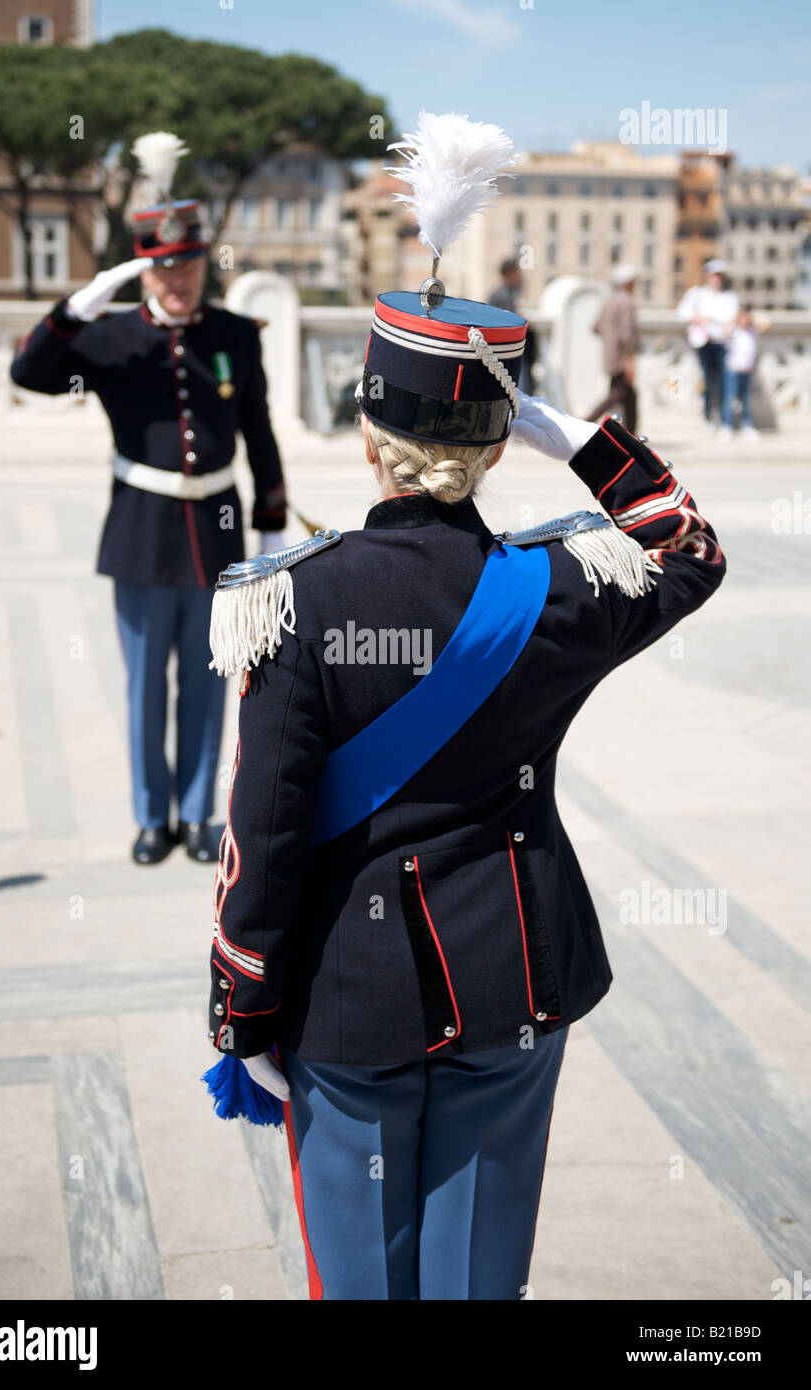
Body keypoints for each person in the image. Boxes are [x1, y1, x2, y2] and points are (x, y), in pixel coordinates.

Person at [203, 113, 726, 1301]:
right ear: (496, 451)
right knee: (479, 1284)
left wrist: (242, 1005)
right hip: (512, 981)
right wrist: (581, 442)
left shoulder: (295, 603)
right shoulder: (557, 591)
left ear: (369, 437)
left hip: (348, 996)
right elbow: (690, 551)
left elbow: (265, 837)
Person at [10, 132, 287, 864]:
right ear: (143, 272)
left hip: (217, 532)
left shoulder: (233, 334)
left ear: (202, 262)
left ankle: (199, 815)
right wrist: (78, 304)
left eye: (189, 265)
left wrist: (270, 525)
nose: (179, 281)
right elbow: (29, 373)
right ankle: (149, 817)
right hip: (139, 531)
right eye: (164, 269)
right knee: (142, 692)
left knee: (205, 683)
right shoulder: (109, 340)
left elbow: (257, 427)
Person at [677, 258, 739, 431]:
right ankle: (708, 417)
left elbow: (730, 317)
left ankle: (723, 418)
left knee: (723, 383)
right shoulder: (697, 294)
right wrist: (696, 318)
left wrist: (712, 319)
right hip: (703, 343)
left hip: (722, 344)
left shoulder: (729, 297)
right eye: (713, 275)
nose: (716, 279)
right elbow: (682, 311)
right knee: (706, 381)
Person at [586, 263, 640, 434]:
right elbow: (627, 335)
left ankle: (629, 435)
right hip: (621, 357)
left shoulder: (609, 301)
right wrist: (629, 360)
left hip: (609, 355)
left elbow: (595, 327)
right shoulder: (627, 302)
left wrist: (609, 340)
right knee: (616, 395)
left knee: (628, 396)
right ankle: (586, 422)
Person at [489, 256, 539, 394]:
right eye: (518, 272)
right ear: (511, 273)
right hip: (509, 352)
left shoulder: (506, 293)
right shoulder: (503, 295)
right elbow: (510, 324)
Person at [720, 305, 768, 440]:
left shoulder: (752, 331)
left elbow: (766, 323)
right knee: (729, 398)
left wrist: (751, 319)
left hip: (747, 370)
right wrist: (734, 319)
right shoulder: (733, 330)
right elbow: (725, 331)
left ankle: (746, 425)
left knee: (745, 399)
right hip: (732, 369)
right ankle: (726, 425)